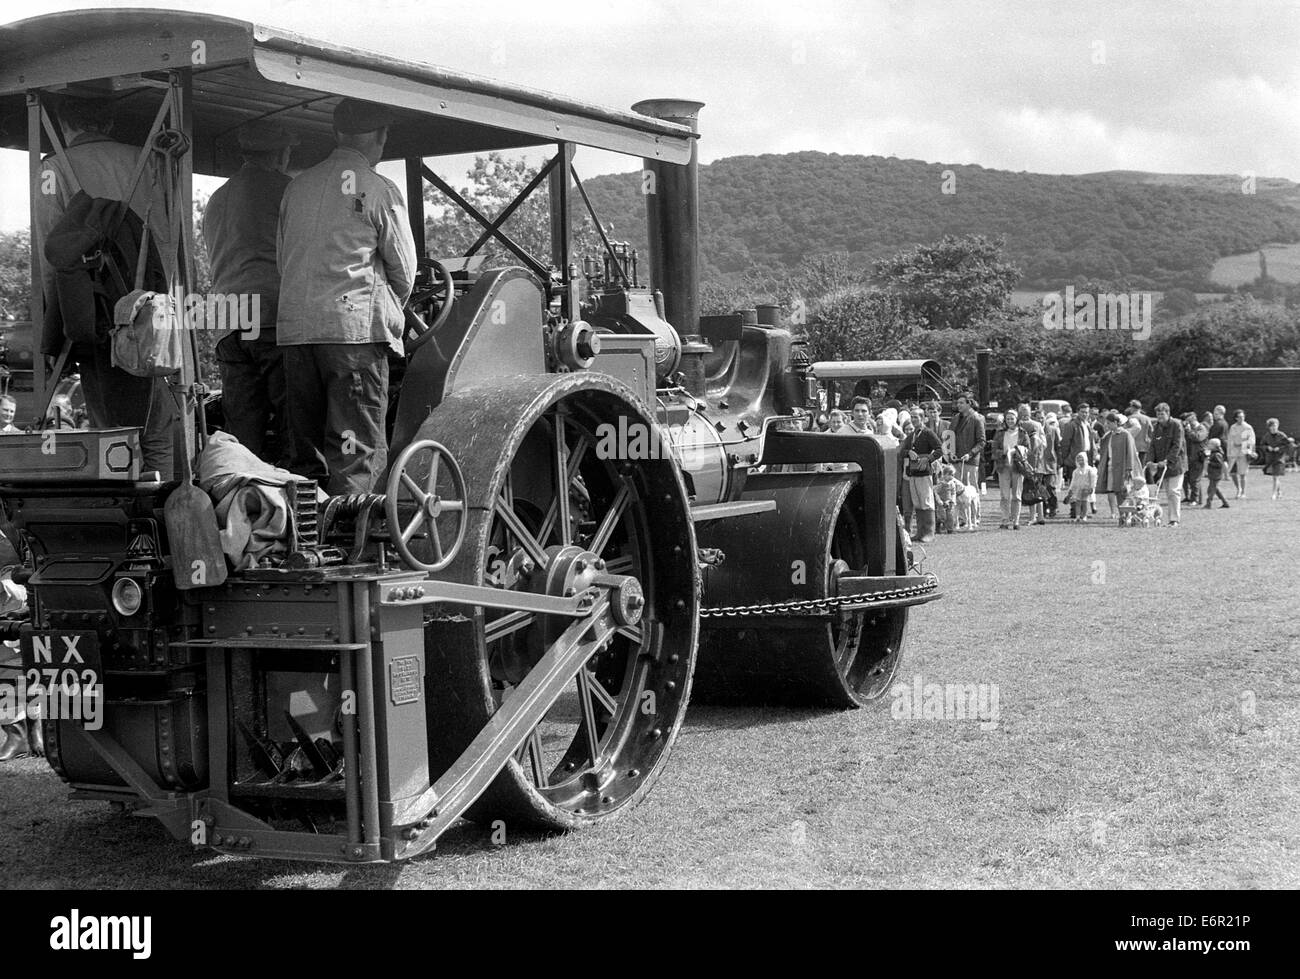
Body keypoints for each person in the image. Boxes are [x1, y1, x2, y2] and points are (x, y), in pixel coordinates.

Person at [277, 99, 417, 495]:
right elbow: (403, 272)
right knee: (355, 451)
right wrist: (391, 314)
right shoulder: (378, 189)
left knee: (305, 454)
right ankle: (356, 546)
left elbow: (283, 260)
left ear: (337, 134)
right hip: (353, 337)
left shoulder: (296, 187)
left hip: (297, 333)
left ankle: (304, 540)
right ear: (381, 138)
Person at [33, 96, 176, 476]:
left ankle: (128, 519)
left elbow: (52, 256)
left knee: (111, 430)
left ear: (65, 126)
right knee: (160, 425)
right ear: (109, 123)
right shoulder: (151, 159)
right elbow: (169, 234)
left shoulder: (55, 169)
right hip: (159, 309)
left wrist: (54, 329)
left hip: (97, 313)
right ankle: (164, 517)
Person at [202, 121, 299, 466]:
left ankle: (242, 495)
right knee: (294, 421)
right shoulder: (286, 189)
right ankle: (298, 503)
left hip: (227, 319)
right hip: (271, 315)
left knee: (243, 429)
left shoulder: (216, 198)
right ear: (281, 153)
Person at [903, 410, 943, 542]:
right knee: (917, 502)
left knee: (926, 501)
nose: (913, 419)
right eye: (912, 417)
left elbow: (939, 450)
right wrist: (908, 452)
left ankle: (929, 532)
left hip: (924, 472)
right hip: (913, 472)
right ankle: (920, 532)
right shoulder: (913, 434)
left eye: (916, 417)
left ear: (923, 418)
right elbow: (902, 449)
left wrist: (928, 459)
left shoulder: (928, 433)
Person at [1147, 402, 1187, 526]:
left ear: (1168, 414)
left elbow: (1177, 445)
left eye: (1162, 414)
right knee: (1167, 493)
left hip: (1176, 465)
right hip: (1162, 466)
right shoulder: (1156, 427)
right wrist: (1150, 461)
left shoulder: (1176, 425)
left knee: (1174, 491)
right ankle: (1167, 518)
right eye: (1158, 414)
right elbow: (1152, 445)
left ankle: (1174, 519)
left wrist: (1168, 460)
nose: (1160, 416)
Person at [1097, 410, 1142, 517]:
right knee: (1114, 490)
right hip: (1111, 467)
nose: (1106, 425)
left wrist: (1129, 468)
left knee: (1124, 491)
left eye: (1109, 423)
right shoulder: (1108, 436)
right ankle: (1120, 513)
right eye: (1106, 423)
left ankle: (1128, 513)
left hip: (1122, 468)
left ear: (1116, 423)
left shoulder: (1125, 434)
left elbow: (1131, 452)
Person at [991, 407, 1027, 529]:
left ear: (1017, 419)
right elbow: (993, 451)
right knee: (1004, 496)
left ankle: (1016, 521)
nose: (1010, 421)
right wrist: (1004, 452)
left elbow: (1028, 449)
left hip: (1018, 467)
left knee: (1016, 496)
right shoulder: (1000, 433)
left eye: (1012, 418)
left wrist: (1018, 452)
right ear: (1005, 420)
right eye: (1008, 419)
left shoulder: (1023, 433)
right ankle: (1005, 520)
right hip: (1003, 467)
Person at [950, 391, 985, 490]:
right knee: (957, 491)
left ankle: (975, 506)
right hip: (956, 460)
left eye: (961, 403)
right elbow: (950, 437)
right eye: (957, 403)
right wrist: (950, 453)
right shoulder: (955, 418)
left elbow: (981, 441)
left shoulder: (977, 418)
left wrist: (970, 454)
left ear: (969, 403)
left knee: (971, 490)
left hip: (970, 461)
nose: (958, 405)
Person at [1225, 409, 1256, 499]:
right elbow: (1230, 441)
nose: (1241, 418)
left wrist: (1242, 444)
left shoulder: (1247, 427)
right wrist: (1229, 453)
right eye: (1239, 417)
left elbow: (1251, 440)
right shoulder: (1233, 427)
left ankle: (1243, 492)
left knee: (1242, 474)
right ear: (1236, 418)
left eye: (1243, 416)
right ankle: (1238, 489)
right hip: (1233, 454)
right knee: (1233, 473)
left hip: (1243, 453)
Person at [1258, 417, 1290, 499]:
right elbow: (1262, 445)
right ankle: (1279, 492)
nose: (1273, 427)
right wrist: (1267, 448)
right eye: (1271, 426)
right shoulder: (1266, 436)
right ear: (1269, 427)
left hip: (1279, 459)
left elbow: (1288, 446)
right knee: (1275, 476)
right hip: (1270, 459)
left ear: (1278, 426)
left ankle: (1273, 494)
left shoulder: (1282, 435)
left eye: (1275, 426)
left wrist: (1279, 448)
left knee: (1275, 476)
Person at [1182, 412, 1207, 506]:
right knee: (1186, 479)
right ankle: (1188, 497)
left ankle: (1195, 499)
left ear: (1193, 419)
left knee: (1195, 479)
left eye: (1189, 421)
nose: (1187, 423)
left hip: (1197, 457)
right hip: (1187, 457)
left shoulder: (1202, 428)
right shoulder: (1189, 429)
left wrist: (1189, 431)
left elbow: (1198, 438)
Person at [1064, 451, 1096, 522]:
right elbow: (1073, 481)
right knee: (1077, 503)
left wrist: (1091, 488)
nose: (1080, 462)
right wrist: (1071, 489)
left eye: (1082, 460)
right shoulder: (1076, 471)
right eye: (1079, 460)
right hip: (1078, 489)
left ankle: (1084, 516)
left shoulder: (1089, 470)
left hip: (1086, 489)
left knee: (1084, 503)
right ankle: (1078, 516)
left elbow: (1093, 479)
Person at [1203, 438, 1230, 508]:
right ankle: (1225, 503)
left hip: (1216, 474)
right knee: (1216, 489)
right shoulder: (1212, 453)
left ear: (1214, 446)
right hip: (1212, 474)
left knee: (1211, 490)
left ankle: (1208, 503)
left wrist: (1210, 463)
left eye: (1209, 444)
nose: (1208, 445)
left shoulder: (1217, 454)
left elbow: (1219, 464)